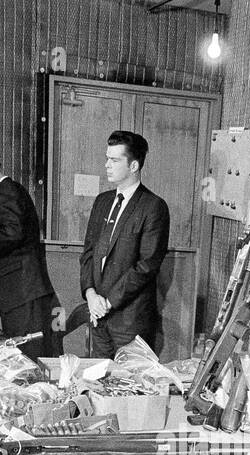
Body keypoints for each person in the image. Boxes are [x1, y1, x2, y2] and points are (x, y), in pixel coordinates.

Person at [78, 129, 169, 358]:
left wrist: (108, 303)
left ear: (134, 165)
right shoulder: (102, 201)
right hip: (98, 316)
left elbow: (146, 265)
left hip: (130, 321)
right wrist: (90, 294)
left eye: (115, 160)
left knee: (128, 378)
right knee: (99, 375)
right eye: (107, 158)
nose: (107, 165)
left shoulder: (153, 207)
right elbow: (88, 252)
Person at [0, 149, 59, 357]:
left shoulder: (7, 191)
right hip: (20, 293)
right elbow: (13, 230)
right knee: (23, 352)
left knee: (27, 354)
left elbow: (13, 234)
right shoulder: (7, 192)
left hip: (23, 292)